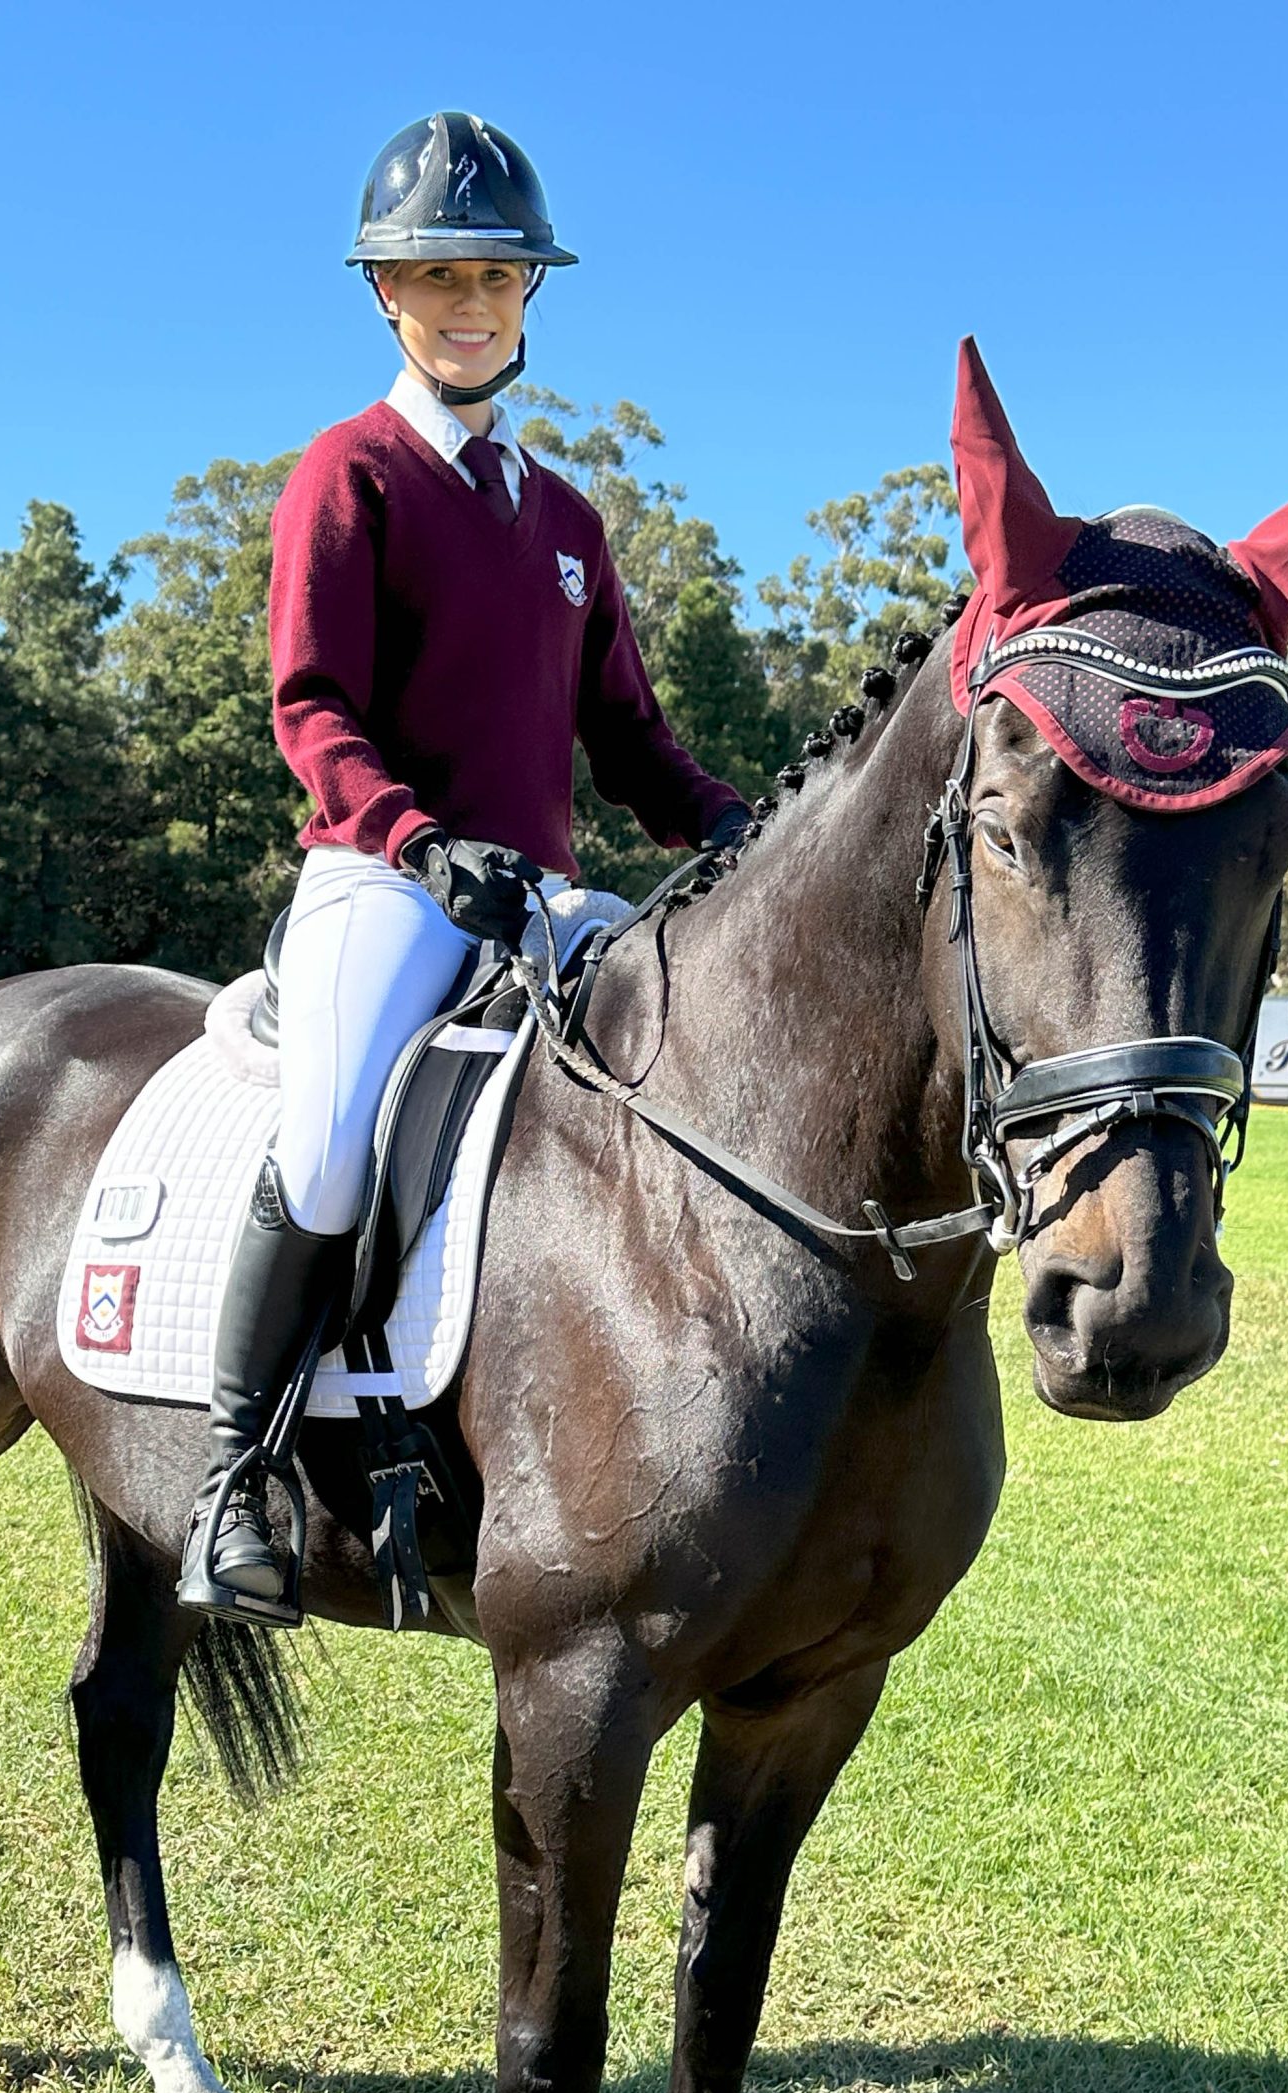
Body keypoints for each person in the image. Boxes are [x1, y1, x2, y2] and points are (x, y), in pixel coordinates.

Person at [178, 110, 751, 1621]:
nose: (471, 305)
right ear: (385, 293)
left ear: (529, 292)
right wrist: (423, 843)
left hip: (545, 900)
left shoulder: (566, 519)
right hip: (383, 879)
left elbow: (626, 735)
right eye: (438, 277)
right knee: (327, 1143)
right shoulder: (347, 474)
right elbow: (313, 707)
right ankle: (234, 1475)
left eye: (496, 277)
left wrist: (735, 829)